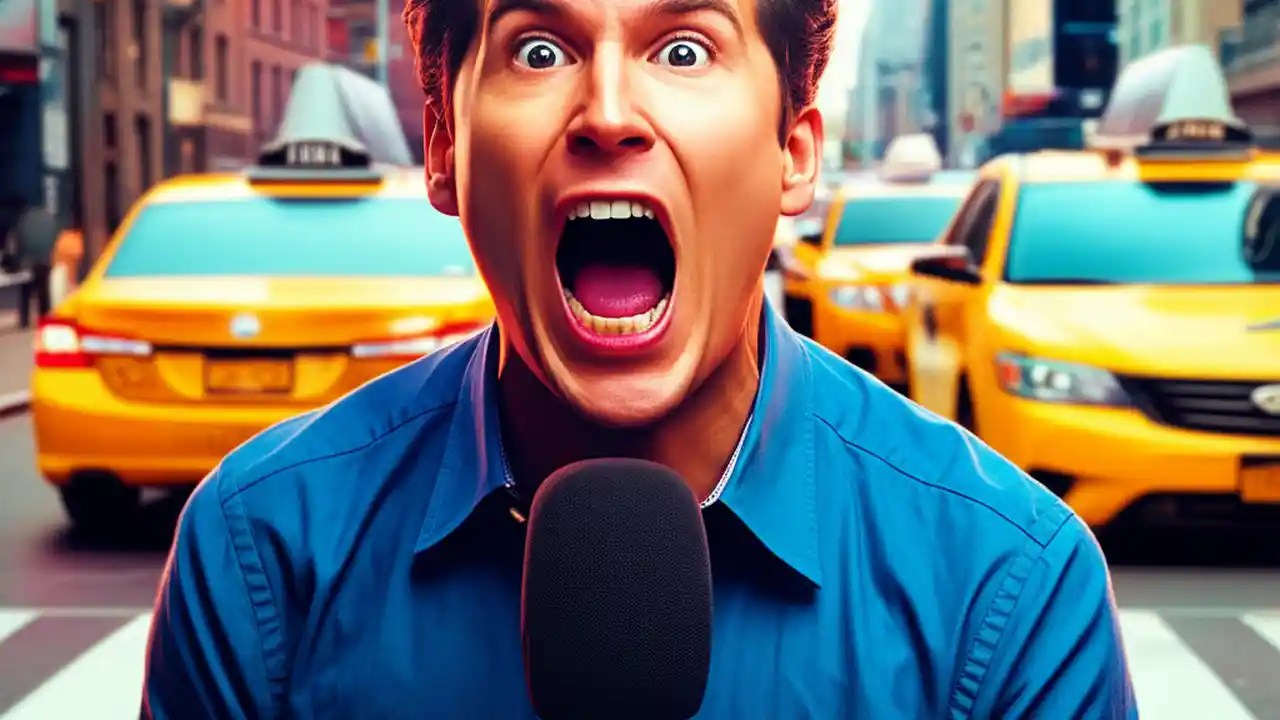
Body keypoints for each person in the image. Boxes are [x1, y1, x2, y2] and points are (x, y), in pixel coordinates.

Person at [142, 1, 1137, 718]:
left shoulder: (1004, 588)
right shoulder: (260, 553)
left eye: (683, 47)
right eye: (537, 49)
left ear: (793, 153)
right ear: (442, 145)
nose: (608, 111)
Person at [7, 201, 57, 327]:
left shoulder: (24, 221)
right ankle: (44, 317)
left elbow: (19, 241)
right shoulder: (49, 219)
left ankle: (24, 320)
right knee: (44, 292)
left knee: (26, 291)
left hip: (29, 261)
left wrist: (17, 261)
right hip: (45, 260)